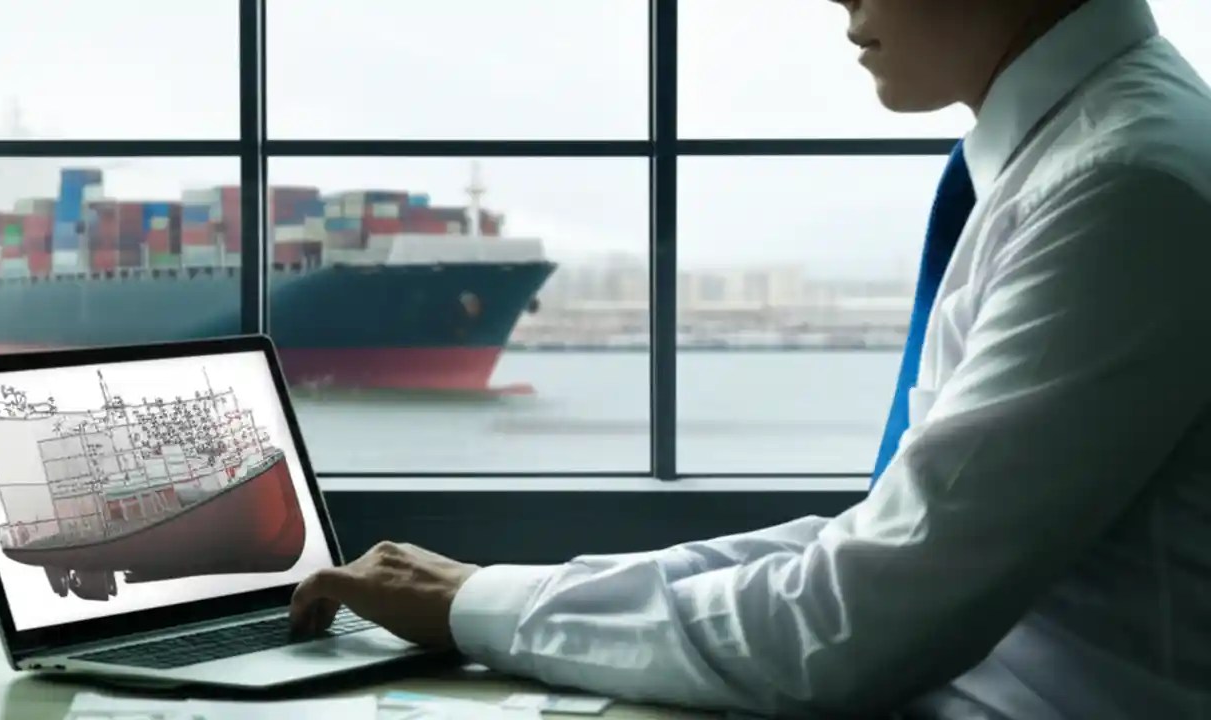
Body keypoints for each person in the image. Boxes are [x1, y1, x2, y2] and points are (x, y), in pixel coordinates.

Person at [290, 0, 1211, 716]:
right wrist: (494, 594)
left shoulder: (1121, 192)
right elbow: (881, 552)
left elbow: (848, 626)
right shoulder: (1084, 156)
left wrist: (478, 609)